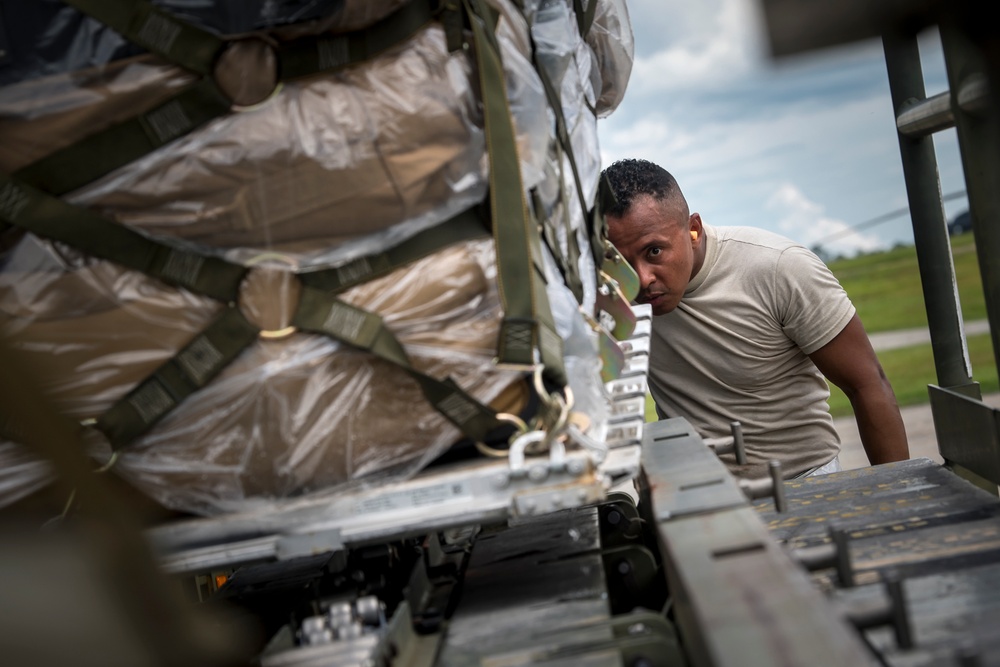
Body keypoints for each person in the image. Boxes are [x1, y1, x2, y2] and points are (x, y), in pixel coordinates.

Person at [602, 158, 909, 478]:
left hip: (804, 481)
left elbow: (867, 384)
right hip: (696, 492)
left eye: (654, 251)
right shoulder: (611, 288)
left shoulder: (779, 268)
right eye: (621, 259)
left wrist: (897, 492)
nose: (642, 279)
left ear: (693, 230)